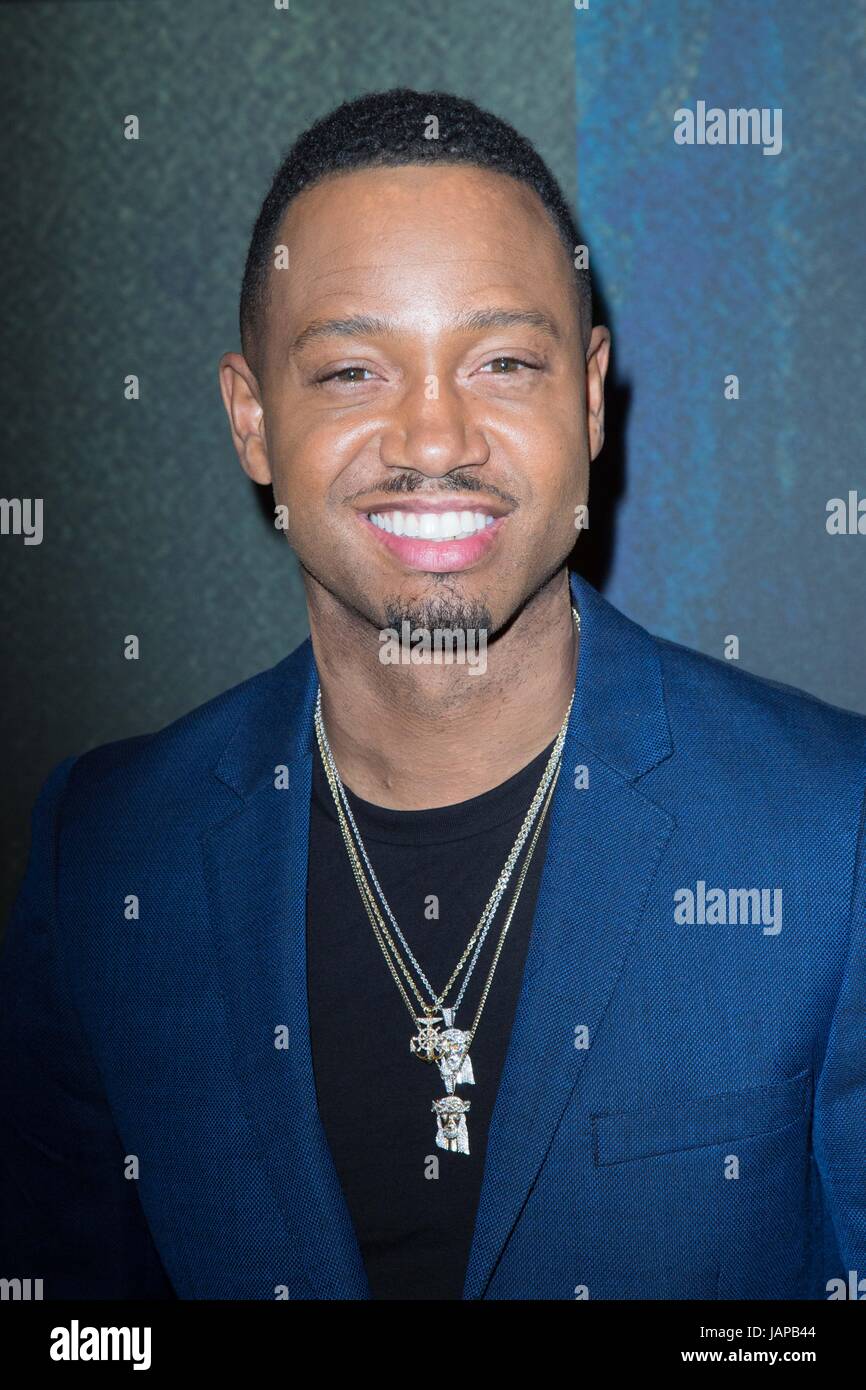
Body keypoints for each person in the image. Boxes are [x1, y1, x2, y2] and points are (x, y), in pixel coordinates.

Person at [1, 88, 864, 1301]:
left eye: (502, 361)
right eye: (352, 368)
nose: (435, 436)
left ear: (586, 396)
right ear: (252, 421)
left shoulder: (834, 836)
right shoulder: (101, 855)